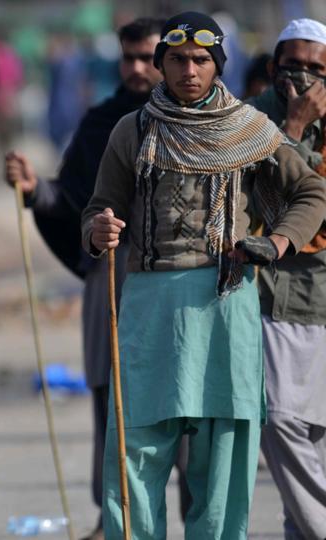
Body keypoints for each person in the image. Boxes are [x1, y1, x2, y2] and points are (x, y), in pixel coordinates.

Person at [81, 12, 326, 539]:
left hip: (225, 304)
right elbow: (99, 205)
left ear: (217, 65)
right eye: (177, 59)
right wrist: (99, 230)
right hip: (149, 307)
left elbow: (311, 192)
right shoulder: (135, 130)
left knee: (222, 462)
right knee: (136, 452)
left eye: (200, 60)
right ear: (160, 64)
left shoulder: (251, 129)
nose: (188, 70)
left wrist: (277, 242)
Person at [5, 18, 195, 540]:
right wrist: (32, 189)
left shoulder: (204, 121)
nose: (136, 68)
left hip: (184, 283)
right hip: (112, 276)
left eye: (146, 57)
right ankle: (116, 520)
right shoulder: (101, 123)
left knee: (189, 405)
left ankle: (201, 522)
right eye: (128, 57)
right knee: (111, 402)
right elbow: (72, 201)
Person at [246, 18, 326, 540]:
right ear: (274, 68)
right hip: (269, 296)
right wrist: (293, 133)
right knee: (275, 420)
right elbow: (256, 208)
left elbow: (314, 217)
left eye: (316, 69)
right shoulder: (250, 123)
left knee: (316, 438)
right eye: (293, 65)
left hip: (320, 294)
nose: (302, 76)